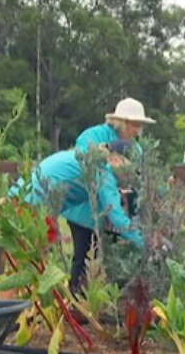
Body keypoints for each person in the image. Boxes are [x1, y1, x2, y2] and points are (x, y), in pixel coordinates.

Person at [19, 139, 144, 295]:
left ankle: (34, 304)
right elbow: (116, 217)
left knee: (38, 260)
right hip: (32, 204)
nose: (131, 173)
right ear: (115, 158)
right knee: (31, 263)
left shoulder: (92, 159)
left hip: (26, 197)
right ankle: (18, 308)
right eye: (131, 167)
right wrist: (144, 243)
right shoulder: (103, 171)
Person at [74, 98, 153, 160]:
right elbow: (80, 158)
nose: (137, 131)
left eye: (140, 126)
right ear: (122, 122)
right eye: (135, 125)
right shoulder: (93, 135)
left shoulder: (136, 149)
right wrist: (108, 149)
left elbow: (138, 175)